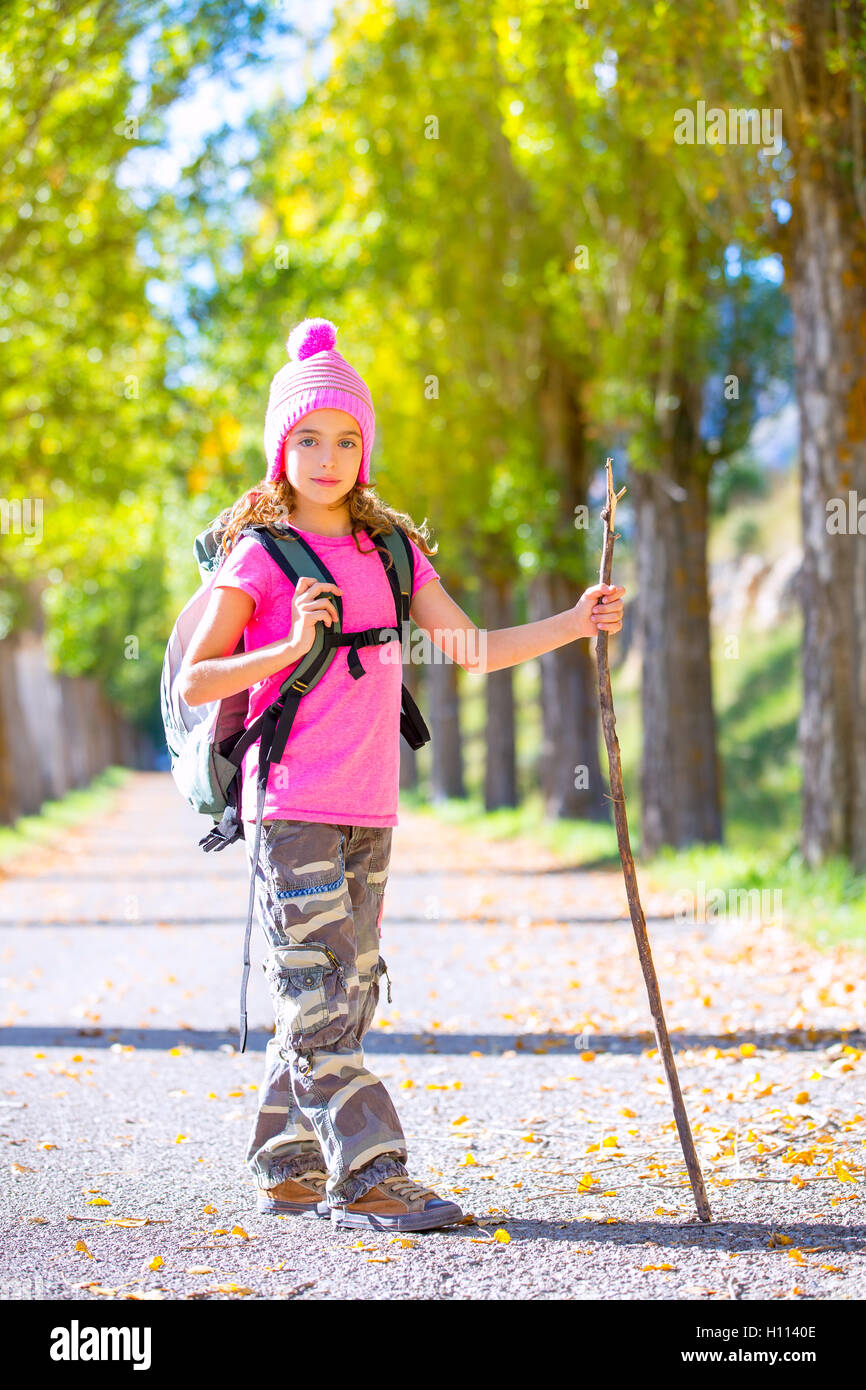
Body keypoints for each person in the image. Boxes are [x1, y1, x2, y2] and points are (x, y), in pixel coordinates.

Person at [179, 317, 625, 1234]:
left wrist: (575, 623)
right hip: (290, 804)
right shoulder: (256, 557)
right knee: (317, 991)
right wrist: (293, 646)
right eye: (307, 437)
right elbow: (196, 678)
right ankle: (376, 1176)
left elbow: (475, 649)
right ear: (279, 448)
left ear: (366, 448)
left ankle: (285, 1158)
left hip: (370, 807)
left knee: (340, 990)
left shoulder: (390, 551)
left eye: (346, 438)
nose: (328, 454)